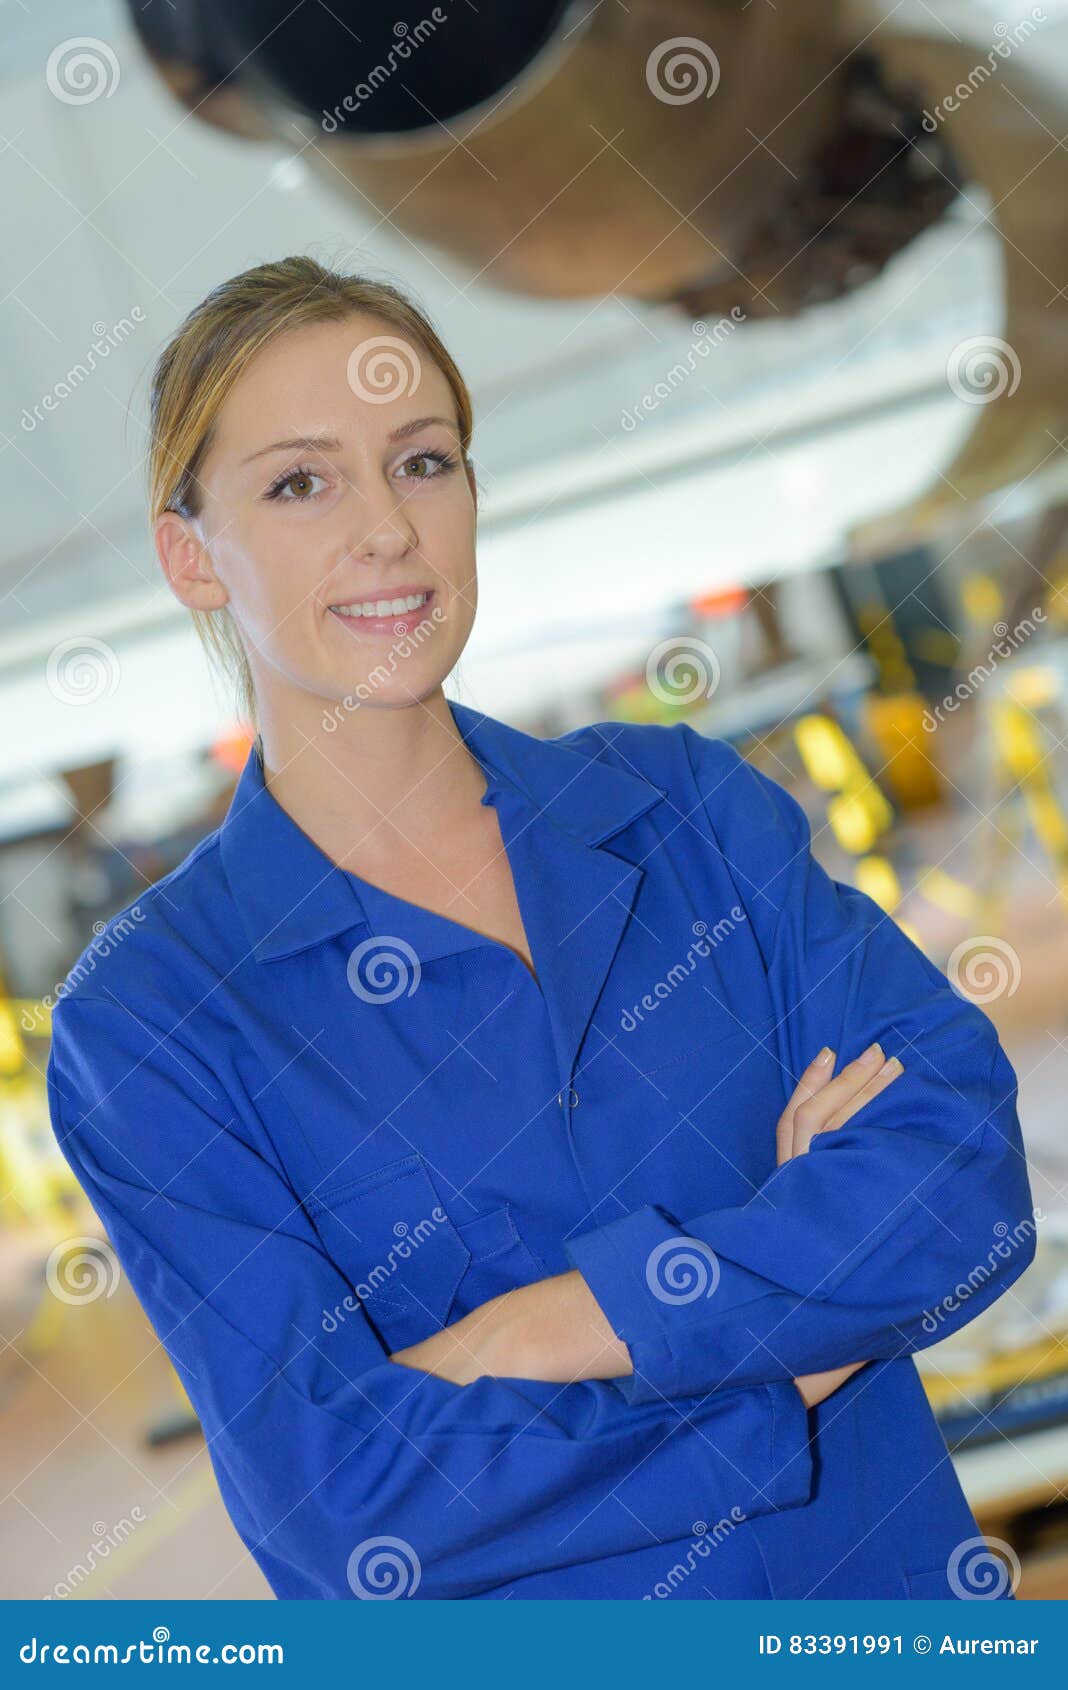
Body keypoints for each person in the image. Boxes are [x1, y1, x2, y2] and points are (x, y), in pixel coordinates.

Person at [46, 257, 1037, 1601]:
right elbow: (347, 1502)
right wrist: (793, 1338)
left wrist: (542, 1328)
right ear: (190, 556)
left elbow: (960, 1182)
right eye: (298, 482)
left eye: (423, 461)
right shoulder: (155, 1017)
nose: (387, 528)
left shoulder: (685, 815)